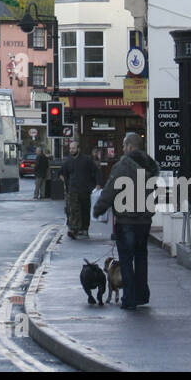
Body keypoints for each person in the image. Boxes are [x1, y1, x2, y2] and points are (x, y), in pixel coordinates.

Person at [94, 132, 158, 310]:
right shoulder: (151, 166)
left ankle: (129, 299)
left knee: (127, 259)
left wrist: (99, 208)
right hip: (144, 221)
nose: (122, 149)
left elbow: (110, 189)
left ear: (130, 146)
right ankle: (142, 295)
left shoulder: (123, 166)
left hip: (126, 219)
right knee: (141, 258)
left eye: (124, 145)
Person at [59, 140, 98, 239]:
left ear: (78, 149)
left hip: (85, 189)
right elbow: (61, 173)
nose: (71, 150)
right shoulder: (67, 161)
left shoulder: (87, 160)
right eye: (70, 148)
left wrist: (98, 184)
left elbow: (96, 171)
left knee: (85, 210)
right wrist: (65, 182)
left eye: (73, 148)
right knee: (74, 210)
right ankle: (73, 229)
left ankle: (84, 229)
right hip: (73, 190)